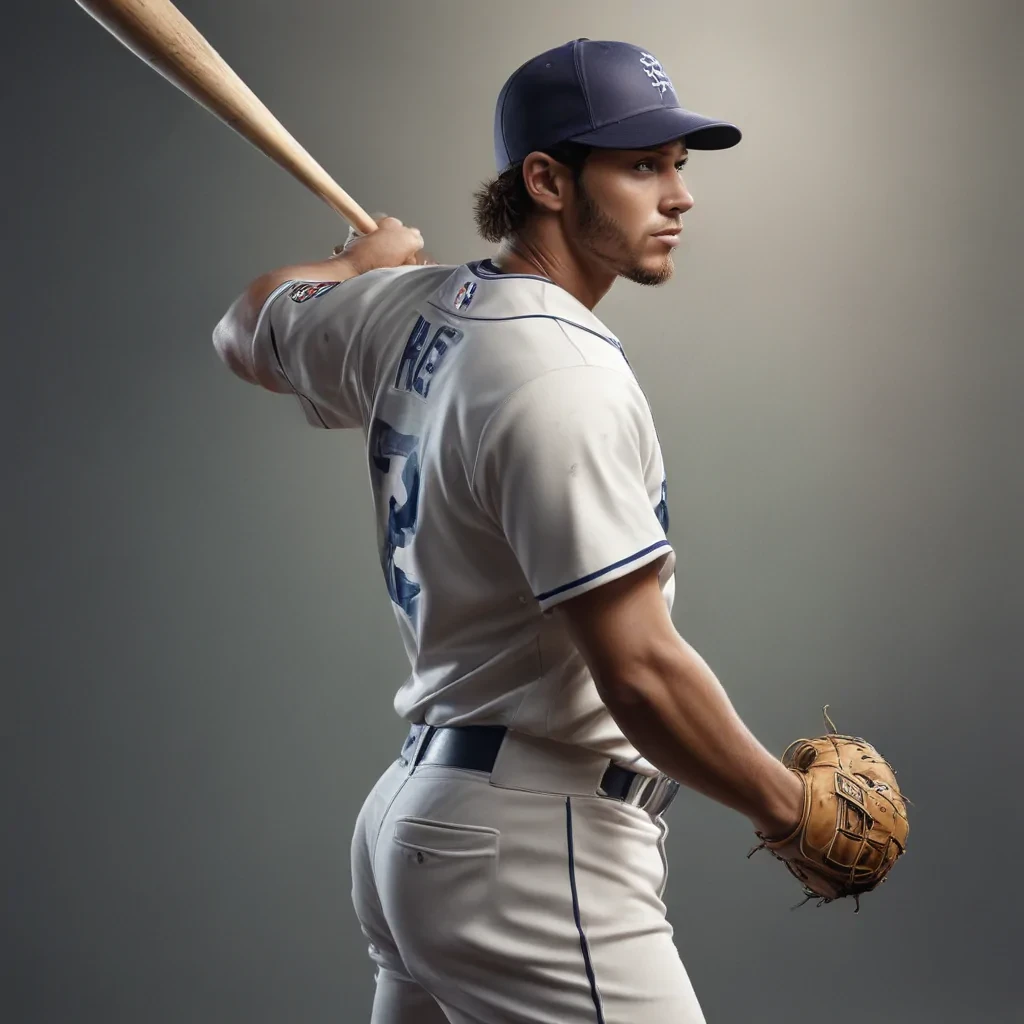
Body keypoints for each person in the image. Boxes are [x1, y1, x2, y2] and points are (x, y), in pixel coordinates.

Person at [213, 37, 803, 1024]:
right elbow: (639, 670)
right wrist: (784, 808)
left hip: (421, 822)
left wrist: (350, 269)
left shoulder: (408, 309)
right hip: (530, 850)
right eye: (641, 165)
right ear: (546, 179)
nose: (679, 195)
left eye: (678, 165)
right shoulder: (560, 373)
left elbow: (248, 324)